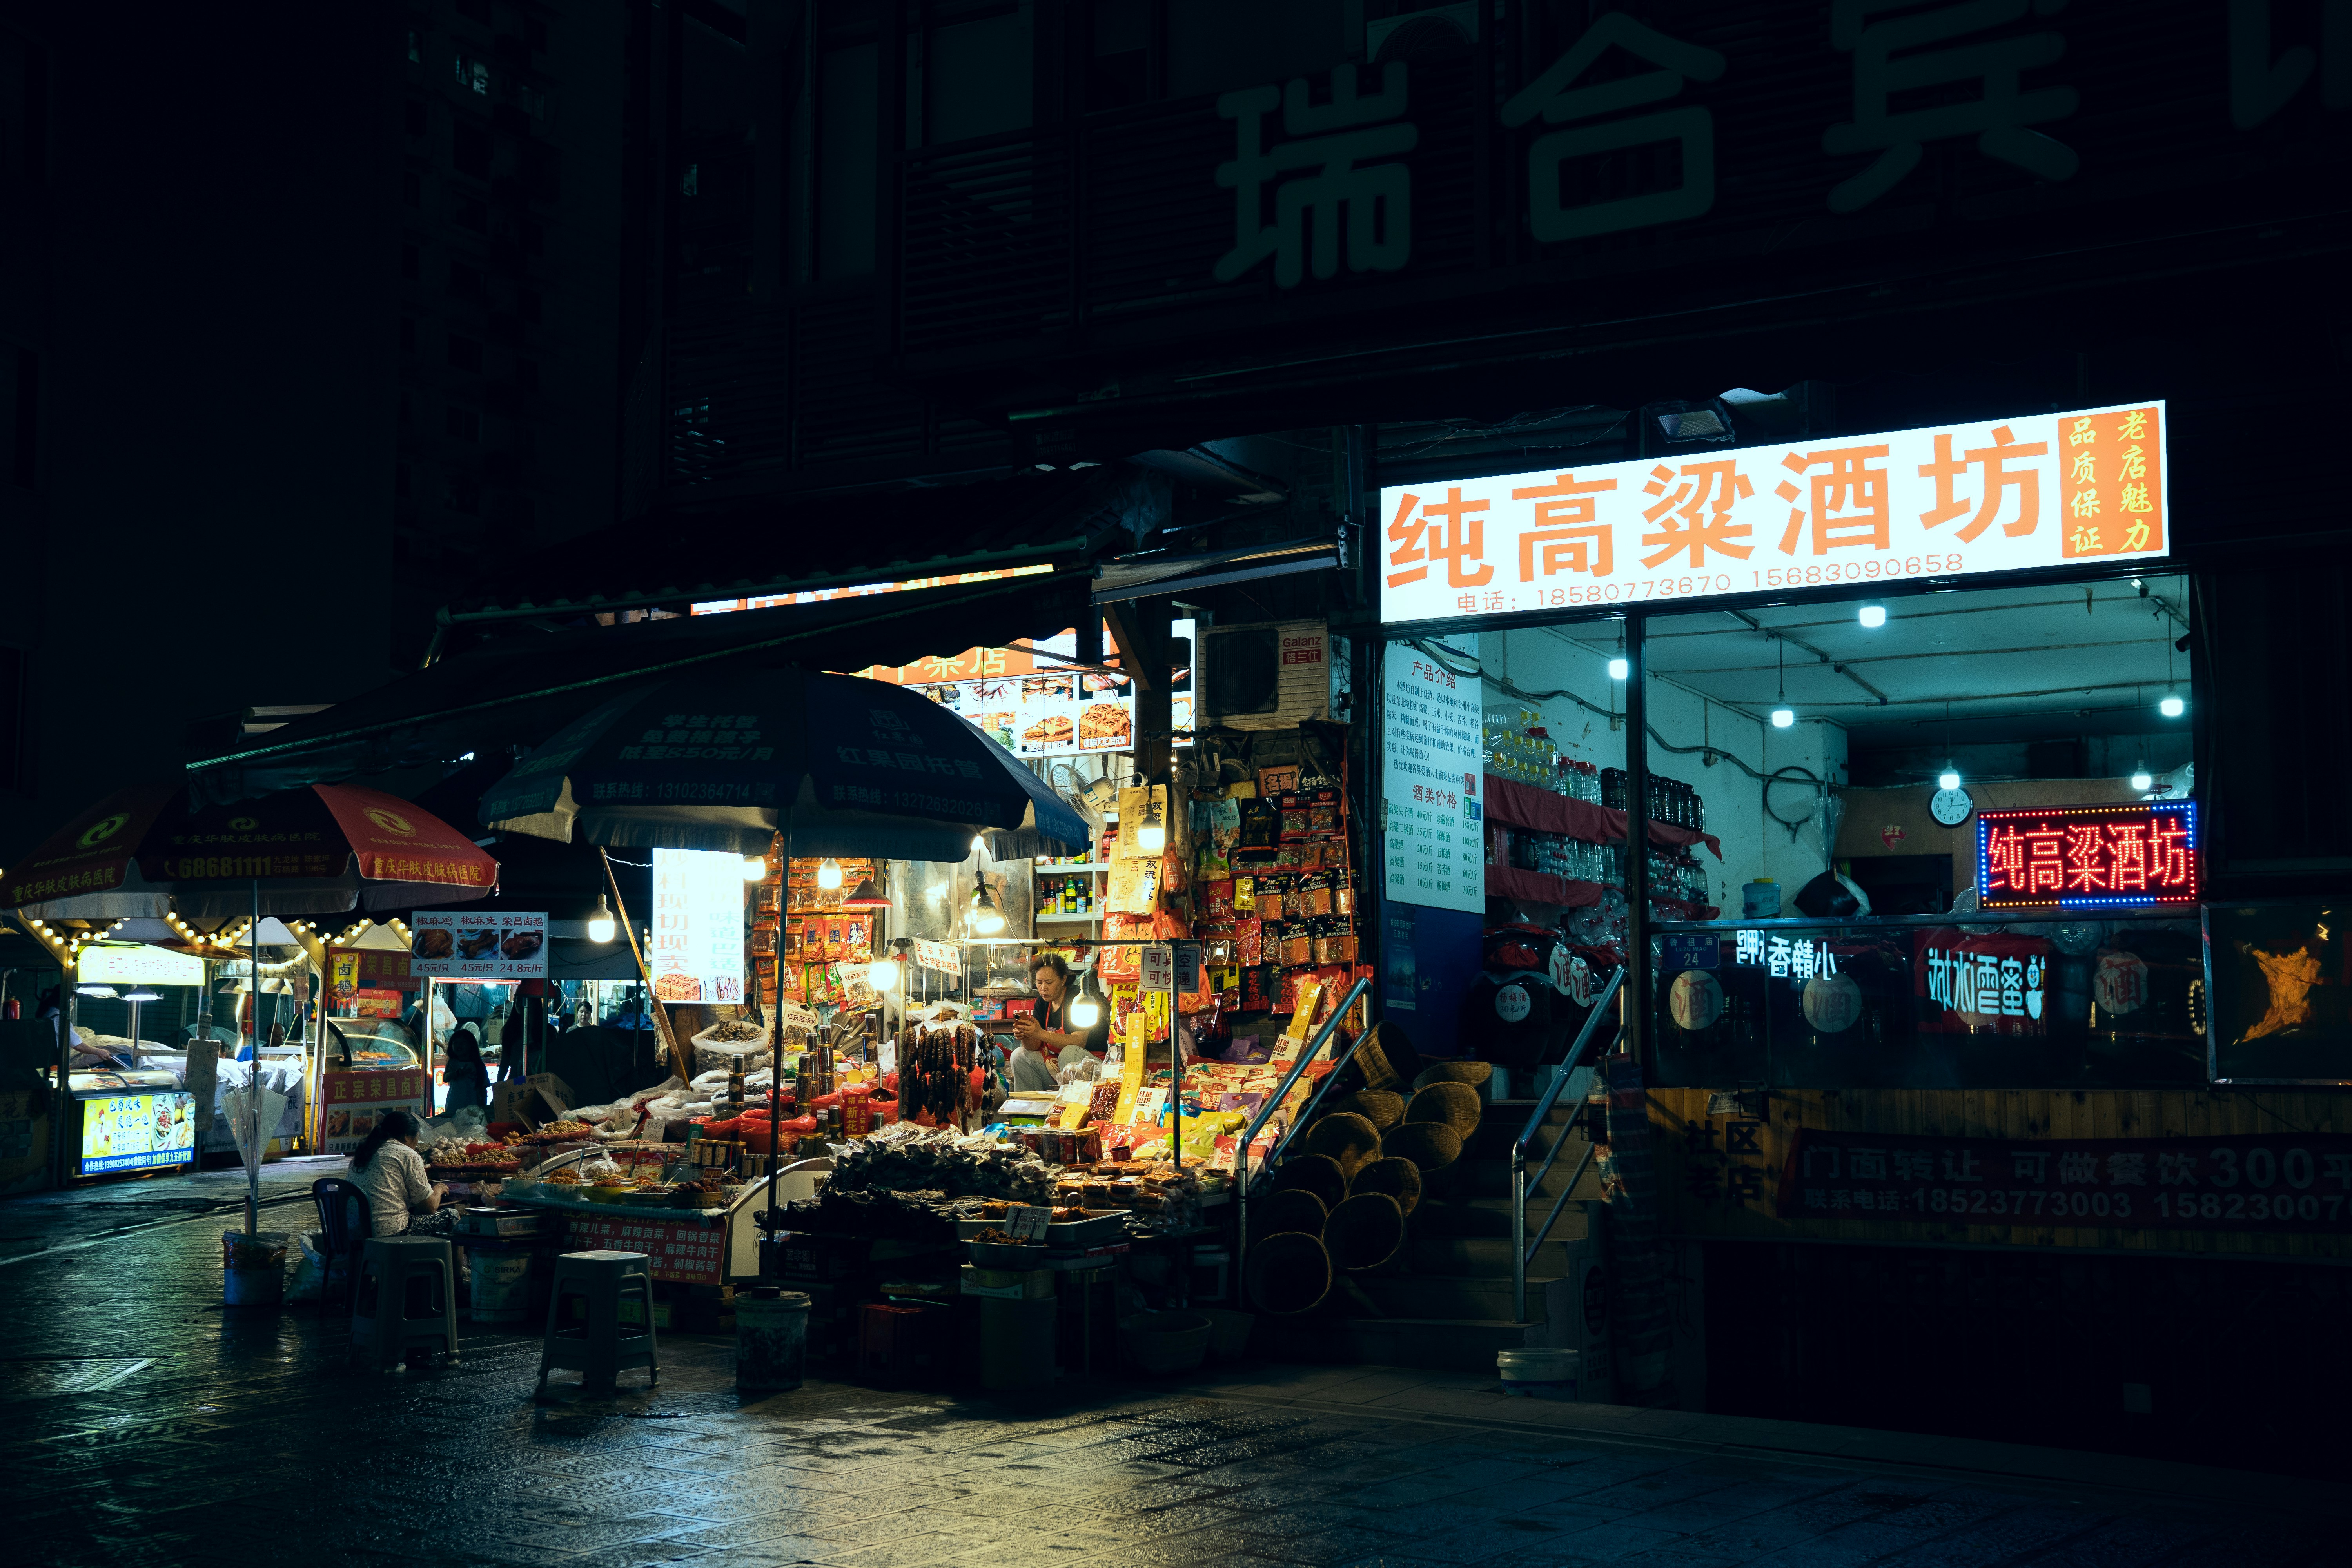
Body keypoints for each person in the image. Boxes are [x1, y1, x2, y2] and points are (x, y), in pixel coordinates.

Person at [347, 1109, 459, 1239]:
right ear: (407, 1136)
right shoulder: (408, 1154)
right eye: (417, 1137)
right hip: (388, 1233)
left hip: (352, 1233)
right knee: (452, 1215)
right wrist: (439, 1189)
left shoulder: (363, 1153)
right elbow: (430, 1207)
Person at [1009, 953, 1108, 1091]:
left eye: (1049, 983)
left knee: (1069, 1052)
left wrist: (1040, 1033)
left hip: (1091, 1067)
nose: (1043, 988)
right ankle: (1030, 1104)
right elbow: (1034, 1046)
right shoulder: (1042, 1003)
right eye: (1039, 983)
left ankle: (1071, 1102)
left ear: (1063, 980)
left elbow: (1079, 1042)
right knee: (1019, 1055)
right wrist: (1026, 1034)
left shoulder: (1079, 1000)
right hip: (1056, 1067)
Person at [444, 1024, 490, 1114]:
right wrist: (457, 1073)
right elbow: (446, 1078)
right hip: (454, 1107)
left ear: (471, 1045)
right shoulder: (453, 1063)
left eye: (463, 1043)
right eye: (456, 1043)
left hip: (473, 1109)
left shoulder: (478, 1066)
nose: (459, 1046)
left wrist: (483, 1106)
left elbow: (484, 1089)